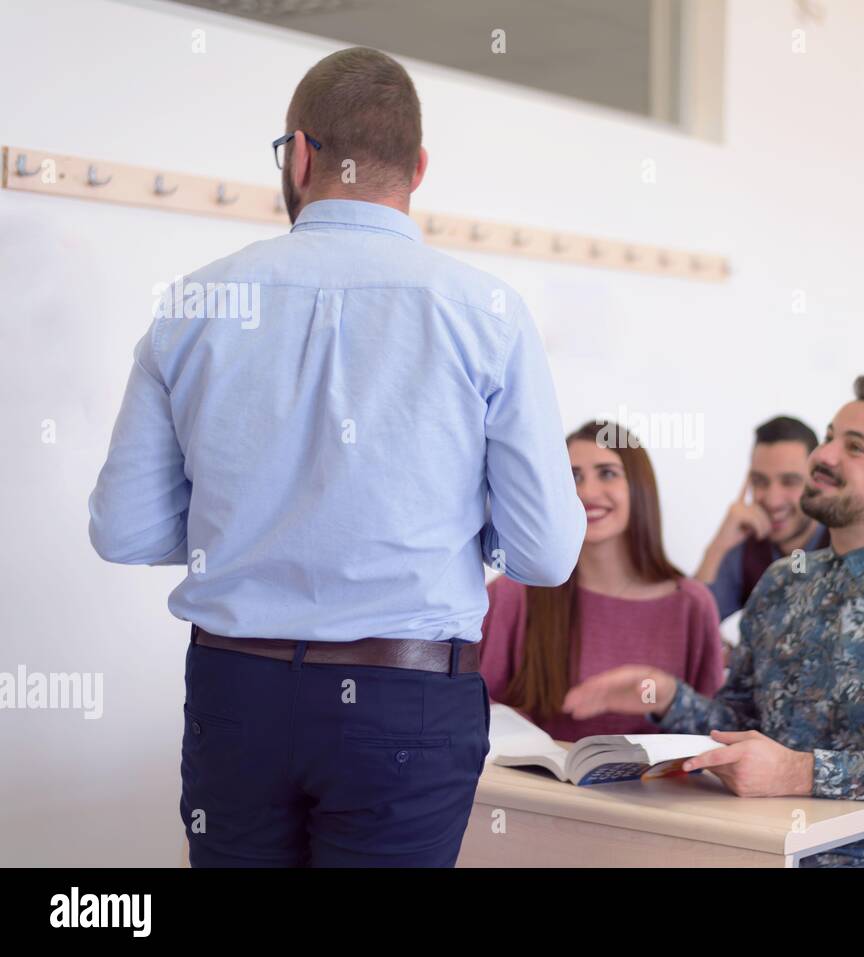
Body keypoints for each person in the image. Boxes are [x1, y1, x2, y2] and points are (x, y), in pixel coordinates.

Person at [87, 47, 586, 867]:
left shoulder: (193, 304)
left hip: (235, 694)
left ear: (301, 153)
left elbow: (125, 530)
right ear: (419, 168)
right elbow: (547, 552)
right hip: (408, 700)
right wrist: (454, 531)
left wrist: (251, 523)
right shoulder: (487, 314)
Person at [563, 373, 864, 867]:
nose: (824, 456)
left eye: (854, 447)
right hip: (757, 850)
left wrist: (801, 772)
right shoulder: (782, 583)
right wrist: (669, 698)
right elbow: (741, 725)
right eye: (829, 437)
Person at [481, 421, 725, 742]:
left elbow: (712, 729)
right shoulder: (514, 593)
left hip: (657, 792)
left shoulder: (692, 605)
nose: (588, 493)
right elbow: (475, 707)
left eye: (607, 473)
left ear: (640, 488)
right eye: (573, 477)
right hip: (531, 789)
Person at [694, 416, 829, 621]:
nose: (773, 501)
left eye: (790, 482)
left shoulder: (844, 540)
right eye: (760, 481)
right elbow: (690, 629)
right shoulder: (745, 545)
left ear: (819, 481)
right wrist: (717, 547)